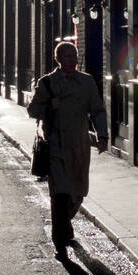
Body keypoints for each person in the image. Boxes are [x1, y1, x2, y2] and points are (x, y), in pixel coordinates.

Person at [27, 41, 108, 259]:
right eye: (67, 56)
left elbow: (98, 111)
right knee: (59, 194)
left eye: (74, 56)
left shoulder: (87, 82)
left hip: (80, 146)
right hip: (55, 145)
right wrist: (48, 106)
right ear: (58, 60)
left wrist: (102, 135)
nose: (72, 60)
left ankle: (65, 226)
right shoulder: (47, 83)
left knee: (78, 193)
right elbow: (32, 110)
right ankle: (59, 243)